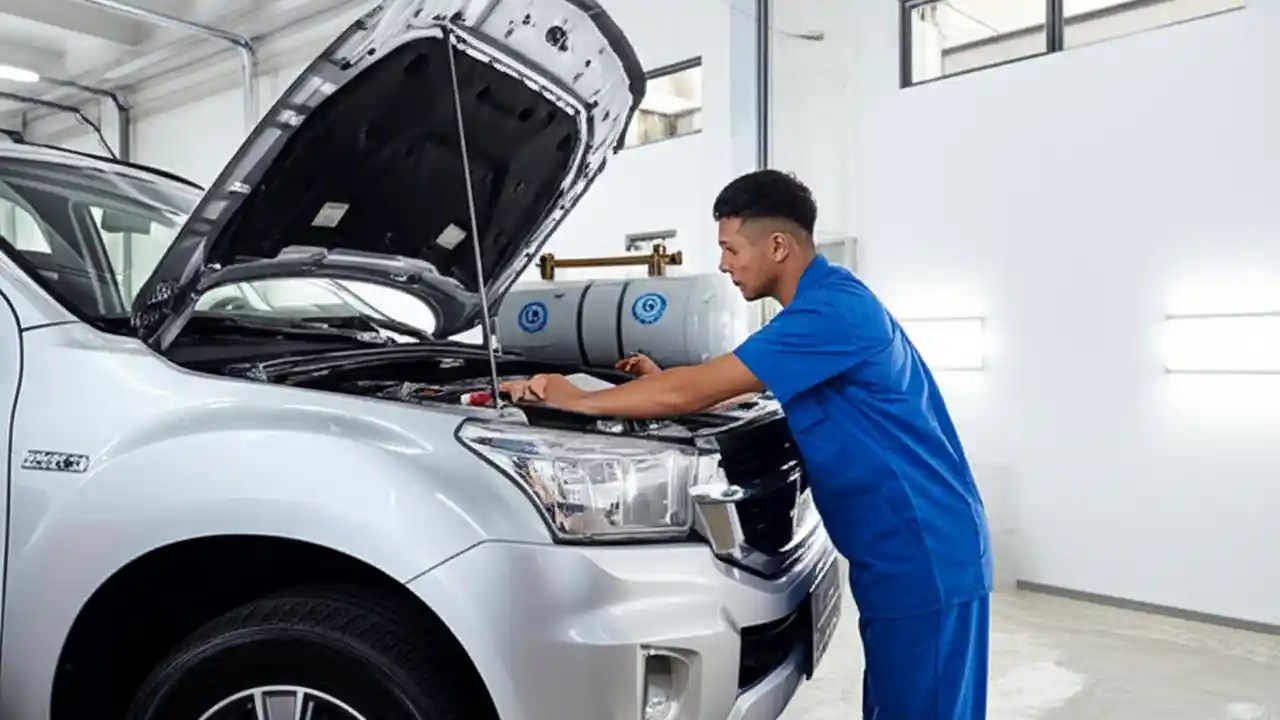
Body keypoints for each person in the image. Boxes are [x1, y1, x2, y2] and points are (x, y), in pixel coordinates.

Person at [501, 169, 993, 719]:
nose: (723, 264)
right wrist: (660, 380)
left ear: (778, 245)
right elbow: (726, 387)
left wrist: (575, 400)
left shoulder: (830, 314)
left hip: (923, 554)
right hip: (906, 552)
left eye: (730, 248)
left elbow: (694, 389)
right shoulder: (824, 305)